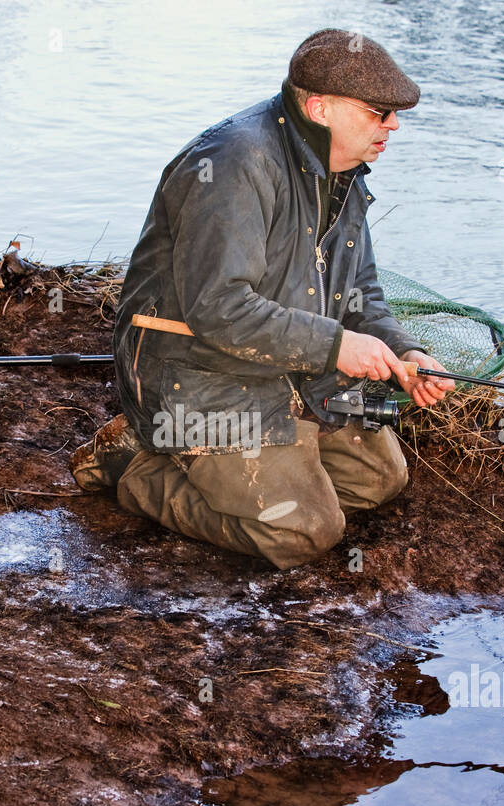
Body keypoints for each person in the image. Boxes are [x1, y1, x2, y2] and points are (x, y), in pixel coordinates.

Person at [69, 28, 455, 570]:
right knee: (305, 530)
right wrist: (338, 347)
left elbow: (360, 292)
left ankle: (246, 457)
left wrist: (404, 353)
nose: (394, 125)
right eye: (379, 112)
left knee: (380, 479)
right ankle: (140, 470)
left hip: (284, 366)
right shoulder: (233, 165)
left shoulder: (342, 172)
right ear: (320, 108)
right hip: (197, 371)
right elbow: (217, 308)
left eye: (393, 113)